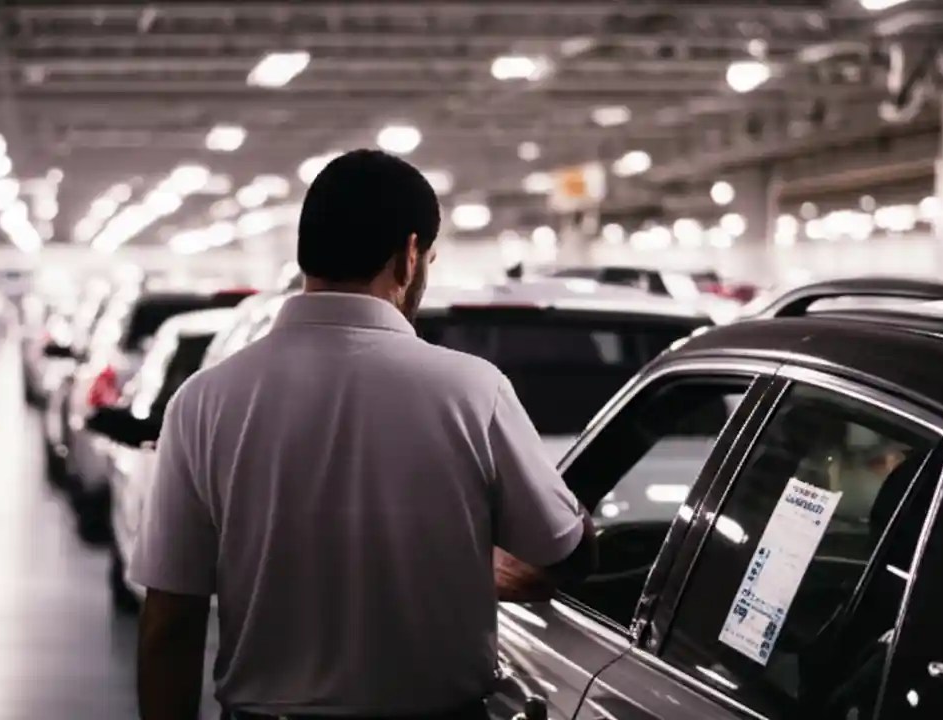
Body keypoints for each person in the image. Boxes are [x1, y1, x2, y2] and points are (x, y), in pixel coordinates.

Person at [131, 149, 597, 720]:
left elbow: (169, 624)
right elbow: (566, 552)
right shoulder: (473, 391)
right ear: (407, 257)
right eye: (428, 257)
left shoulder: (202, 402)